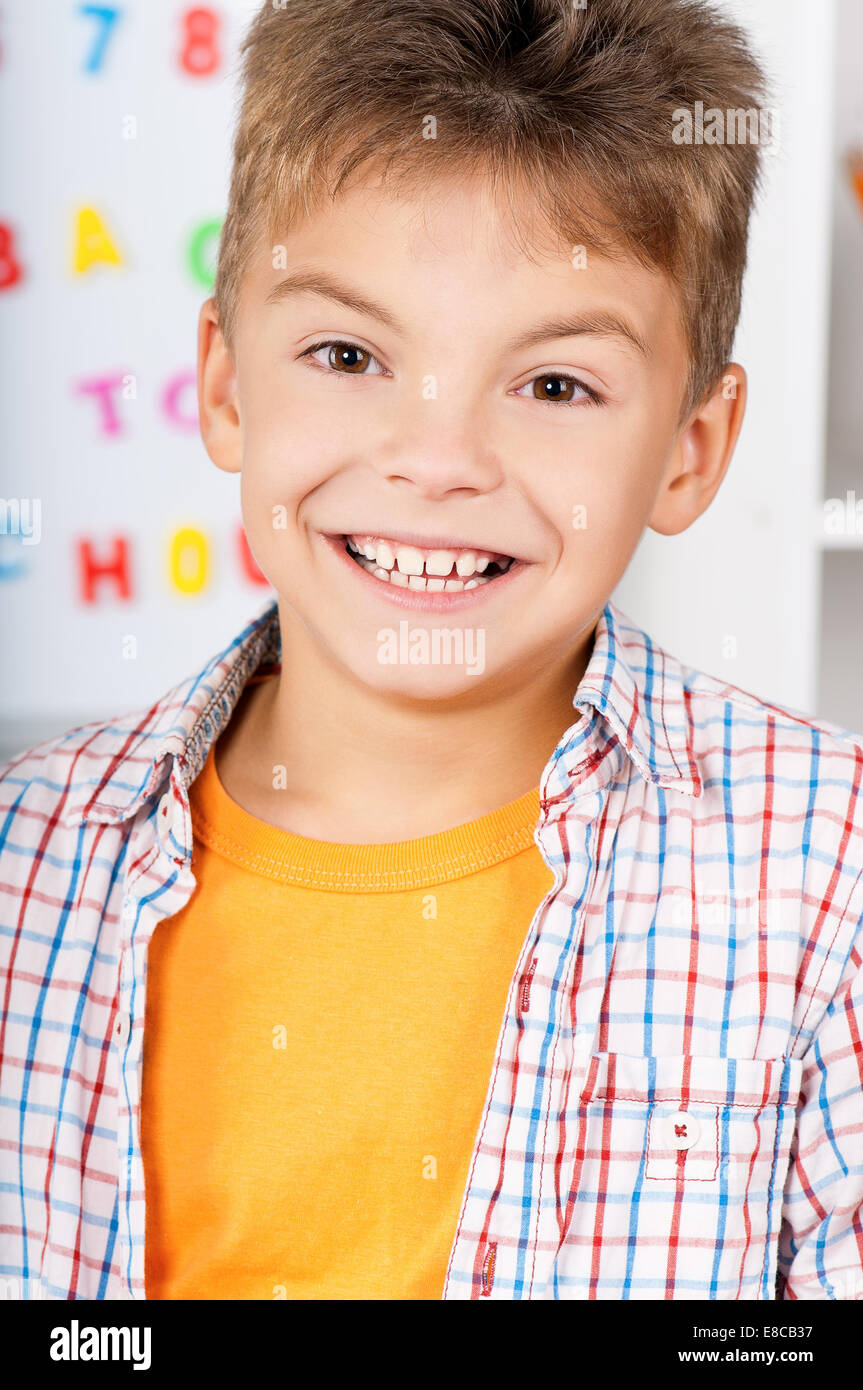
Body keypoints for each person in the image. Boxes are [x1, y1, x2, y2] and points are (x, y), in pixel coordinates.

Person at [2, 0, 862, 1302]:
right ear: (226, 384)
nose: (438, 463)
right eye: (348, 353)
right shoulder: (25, 870)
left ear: (692, 446)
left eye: (555, 384)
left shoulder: (827, 884)